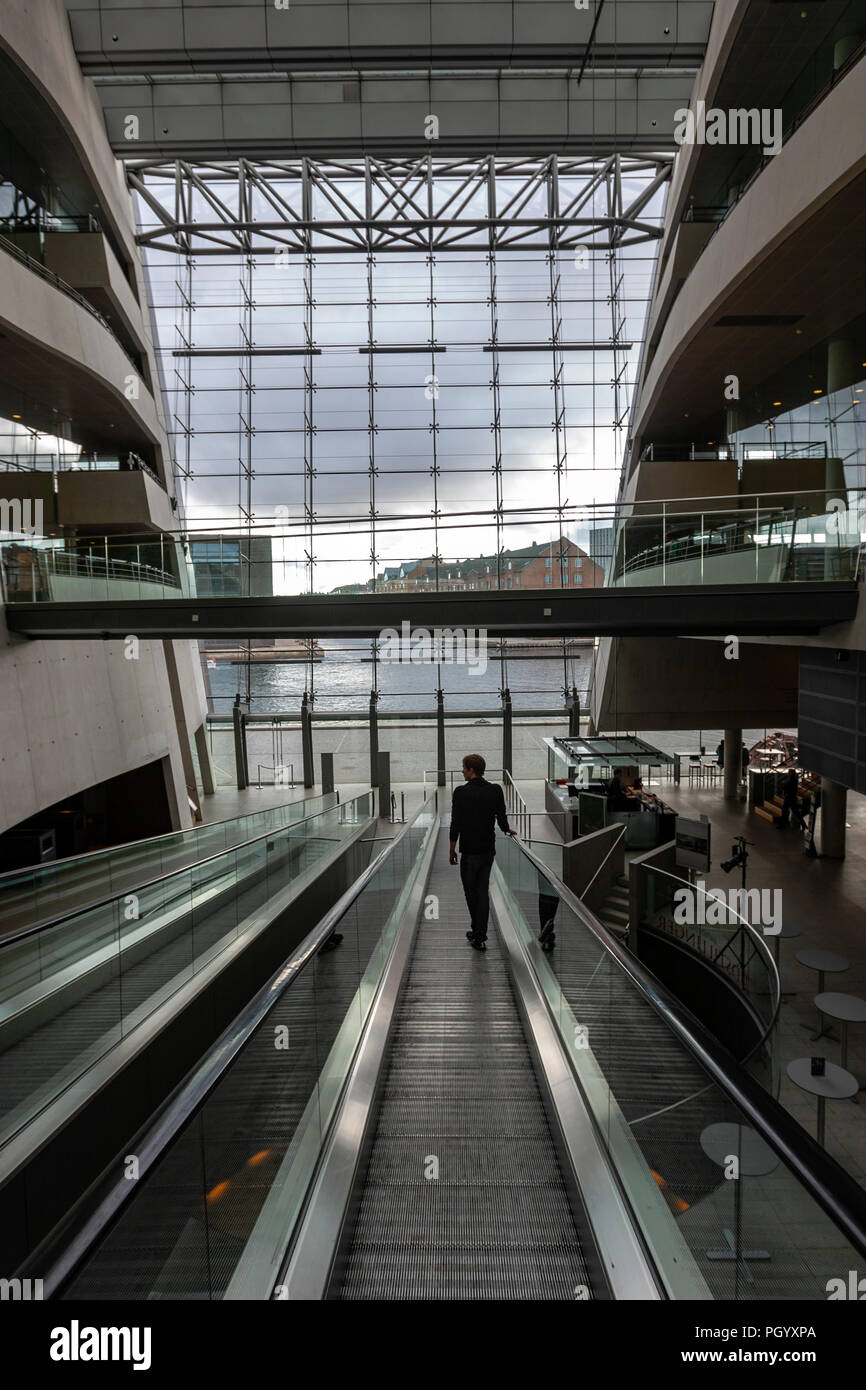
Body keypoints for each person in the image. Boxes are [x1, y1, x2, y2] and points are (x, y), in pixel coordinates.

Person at [449, 753, 516, 951]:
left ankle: (478, 932)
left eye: (464, 767)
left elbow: (456, 823)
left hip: (469, 851)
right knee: (482, 891)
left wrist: (452, 849)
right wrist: (506, 829)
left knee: (471, 893)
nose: (462, 770)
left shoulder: (460, 792)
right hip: (488, 850)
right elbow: (501, 816)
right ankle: (478, 932)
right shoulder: (495, 790)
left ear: (471, 770)